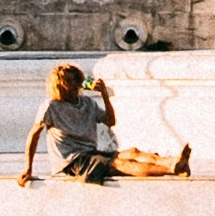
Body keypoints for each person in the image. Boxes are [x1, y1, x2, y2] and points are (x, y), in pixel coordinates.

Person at [16, 65, 191, 189]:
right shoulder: (51, 106)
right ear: (59, 84)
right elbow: (34, 135)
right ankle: (171, 169)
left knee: (133, 152)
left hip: (91, 153)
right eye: (67, 81)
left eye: (75, 80)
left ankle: (174, 161)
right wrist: (28, 168)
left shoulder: (87, 103)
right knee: (121, 163)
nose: (72, 85)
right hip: (72, 162)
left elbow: (110, 121)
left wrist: (105, 95)